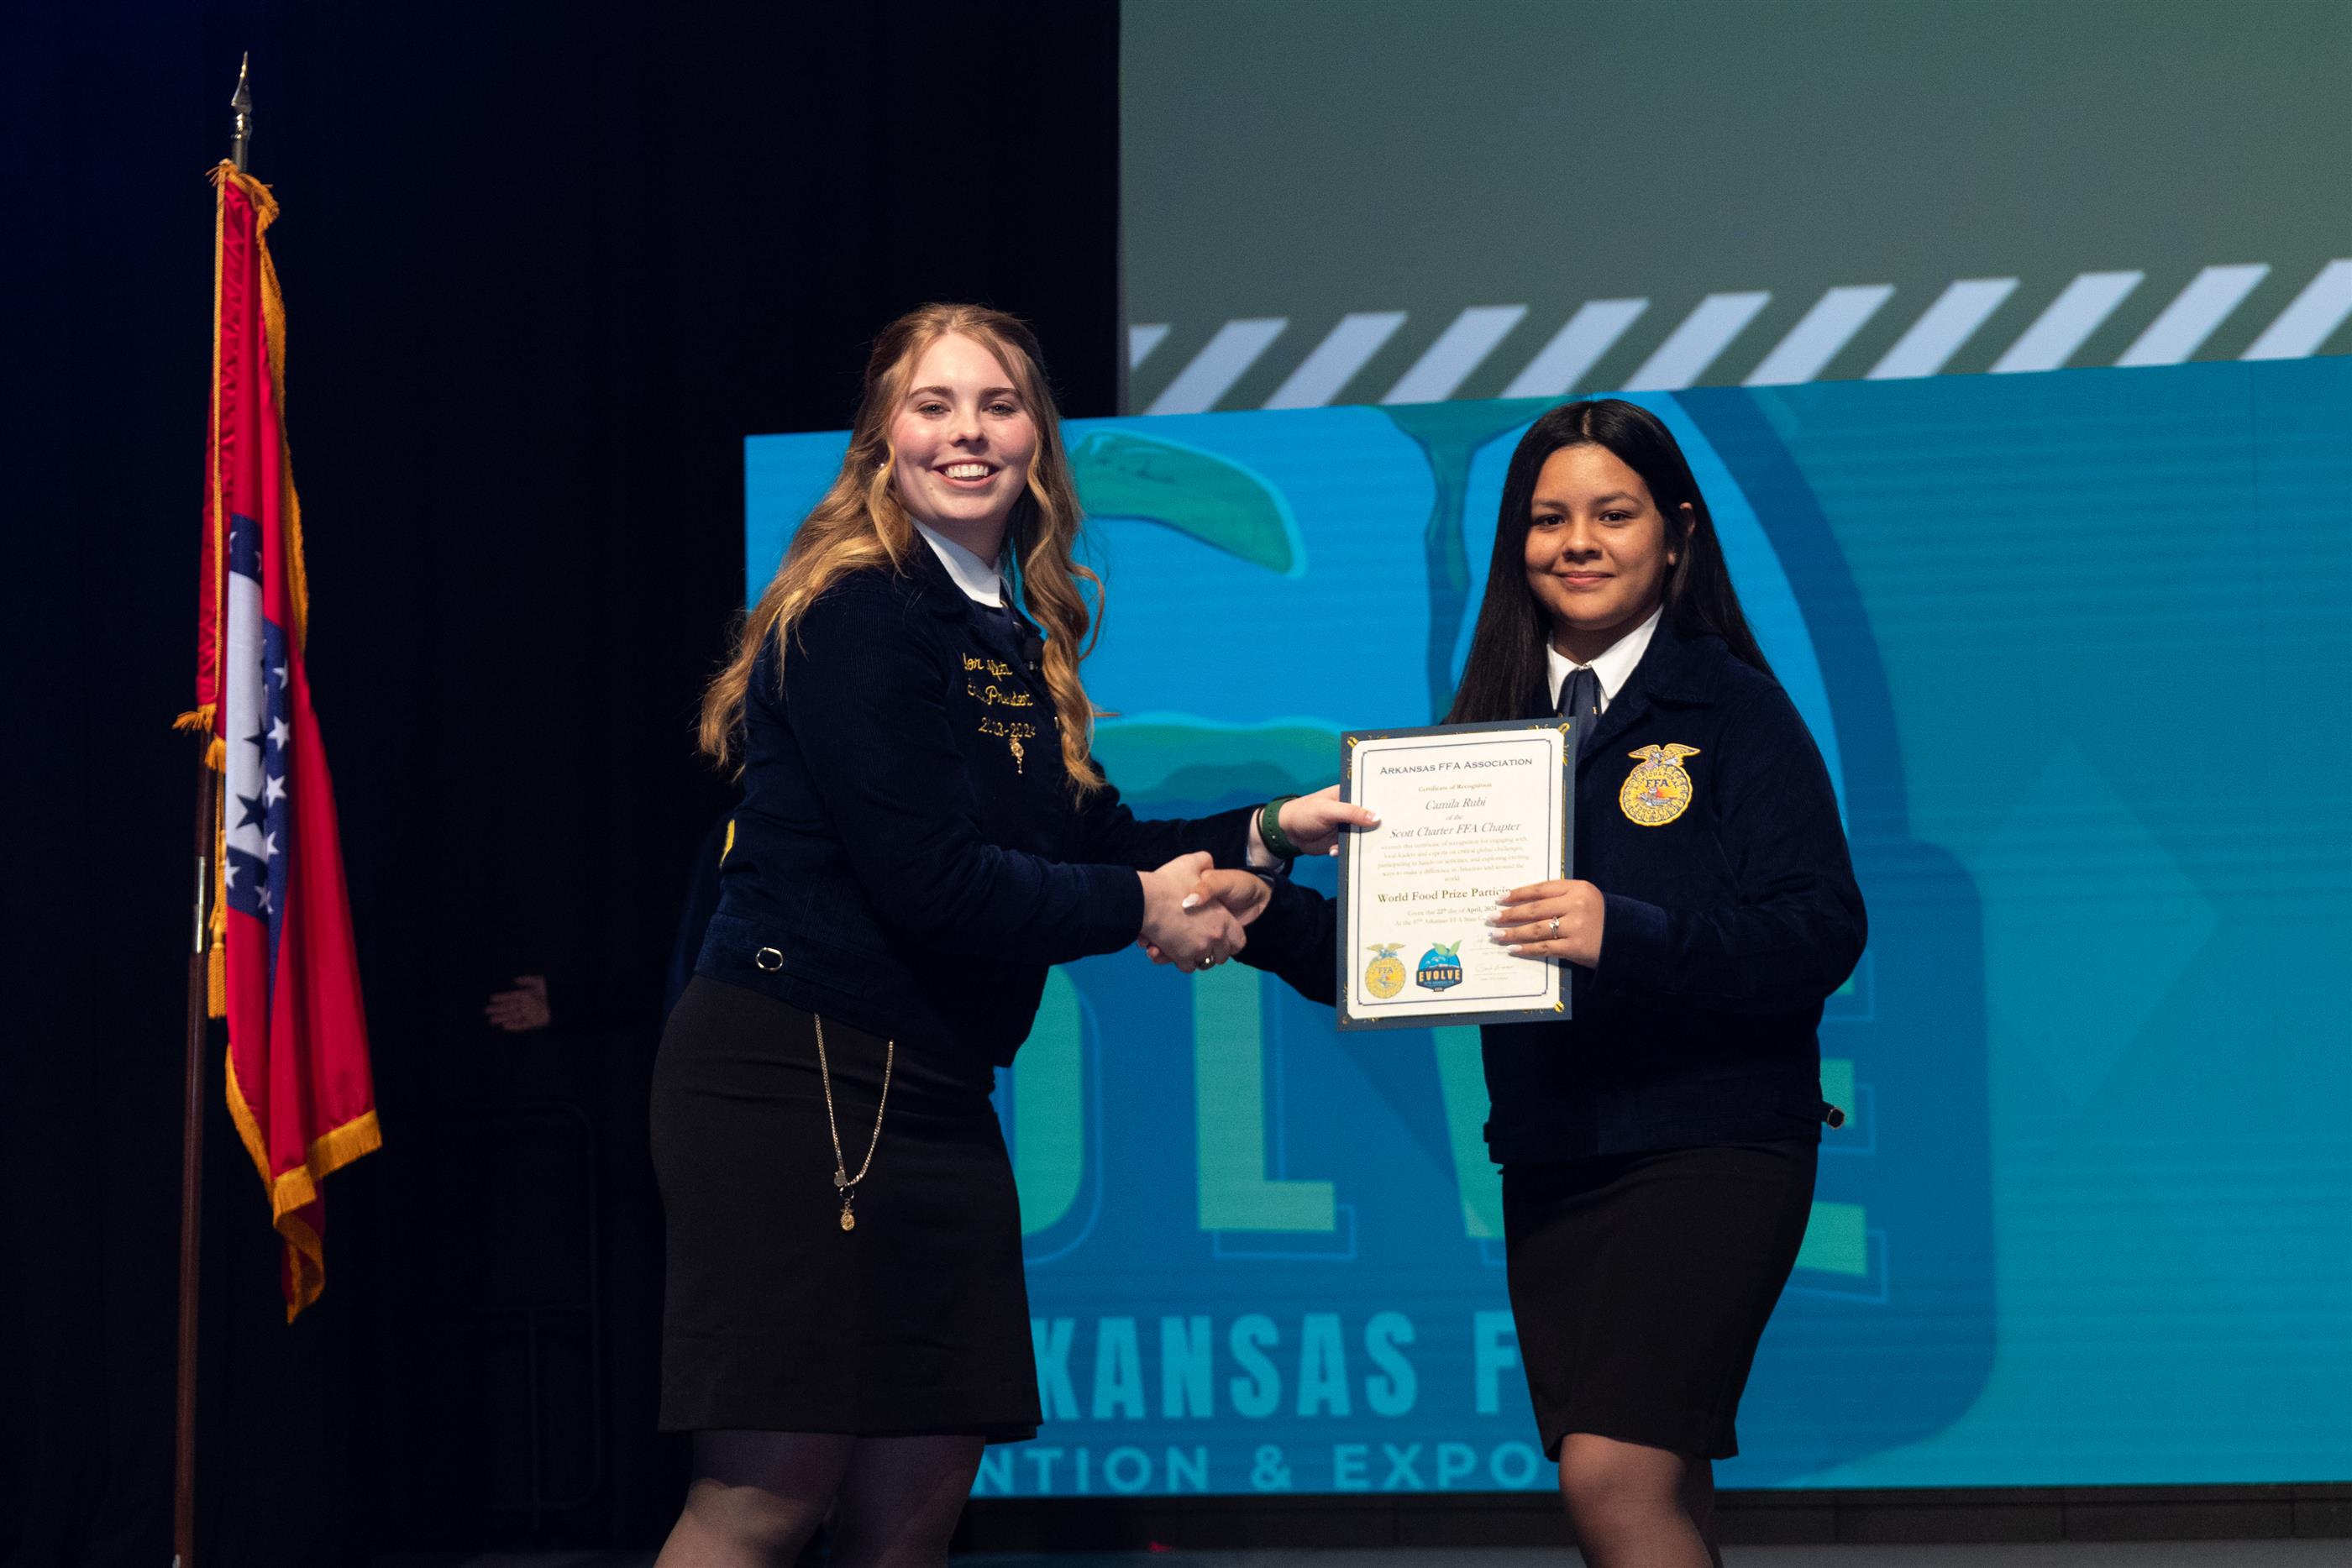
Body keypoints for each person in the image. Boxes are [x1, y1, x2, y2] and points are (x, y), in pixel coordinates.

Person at [648, 302, 1362, 1567]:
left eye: (999, 405)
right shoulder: (860, 611)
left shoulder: (1007, 629)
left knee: (917, 1501)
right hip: (795, 1084)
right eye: (933, 406)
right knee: (765, 1500)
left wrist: (1272, 833)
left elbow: (1092, 841)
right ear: (883, 438)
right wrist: (1143, 907)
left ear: (1039, 438)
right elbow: (935, 885)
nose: (967, 433)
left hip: (934, 1093)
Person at [1186, 399, 1866, 1568]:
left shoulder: (1736, 711)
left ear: (1678, 535)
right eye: (1550, 519)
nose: (1579, 543)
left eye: (1614, 514)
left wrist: (1624, 931)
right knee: (1660, 1480)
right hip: (1556, 1154)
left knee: (1614, 1479)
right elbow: (1416, 954)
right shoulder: (1485, 733)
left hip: (1711, 1144)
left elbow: (1821, 931)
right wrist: (1267, 917)